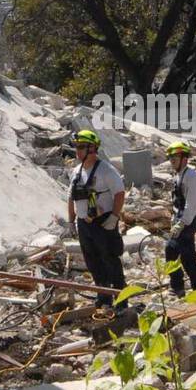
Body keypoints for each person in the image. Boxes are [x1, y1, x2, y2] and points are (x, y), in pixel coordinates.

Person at [67, 129, 126, 310]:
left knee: (110, 260)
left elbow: (120, 193)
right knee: (92, 261)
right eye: (77, 147)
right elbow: (71, 198)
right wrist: (71, 221)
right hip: (84, 224)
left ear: (92, 149)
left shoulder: (106, 170)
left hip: (103, 223)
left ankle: (121, 298)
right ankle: (104, 295)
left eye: (81, 147)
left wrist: (114, 217)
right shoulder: (77, 172)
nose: (77, 151)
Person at [164, 141, 196, 297]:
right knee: (187, 256)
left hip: (189, 221)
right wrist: (174, 221)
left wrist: (181, 223)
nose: (172, 161)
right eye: (171, 158)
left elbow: (192, 203)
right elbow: (178, 203)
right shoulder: (178, 176)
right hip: (181, 220)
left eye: (175, 158)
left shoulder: (191, 176)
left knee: (172, 249)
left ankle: (179, 286)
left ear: (184, 158)